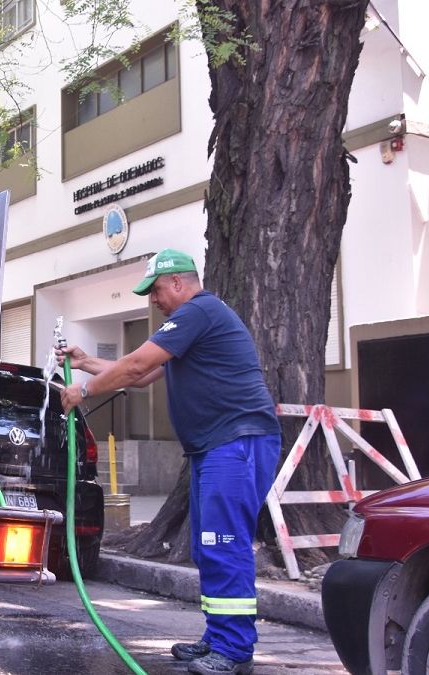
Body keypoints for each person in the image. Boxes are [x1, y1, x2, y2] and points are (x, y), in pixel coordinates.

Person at [58, 248, 281, 675]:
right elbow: (141, 375)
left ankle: (234, 651)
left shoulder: (199, 312)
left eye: (157, 290)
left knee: (223, 544)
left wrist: (83, 391)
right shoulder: (191, 324)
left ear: (178, 282)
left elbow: (137, 365)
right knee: (208, 545)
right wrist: (88, 363)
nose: (154, 300)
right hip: (215, 448)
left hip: (236, 444)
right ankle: (218, 639)